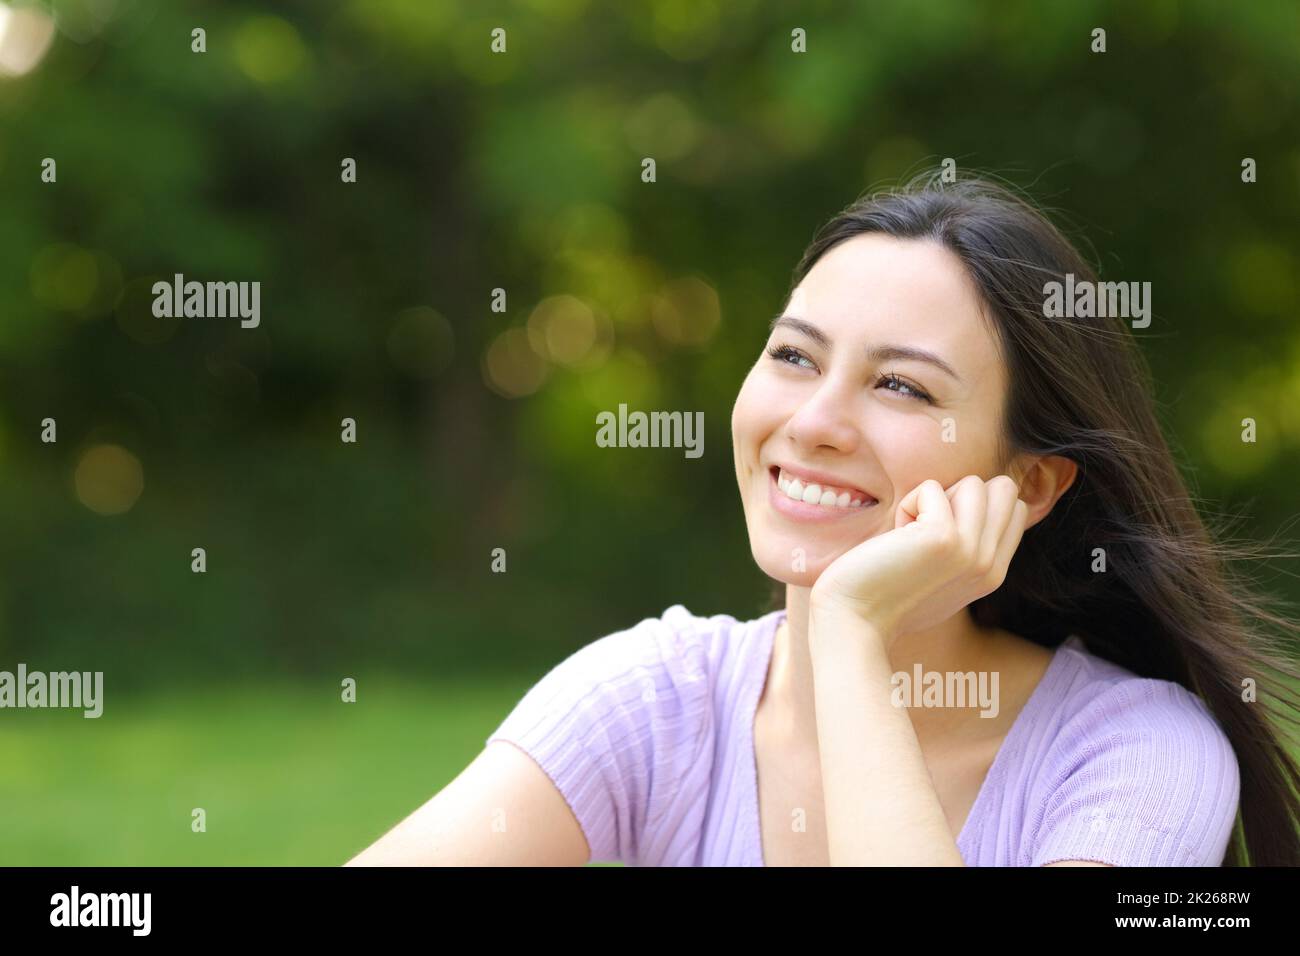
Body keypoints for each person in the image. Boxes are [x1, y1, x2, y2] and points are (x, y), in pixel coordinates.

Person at [346, 173, 1300, 867]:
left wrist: (847, 636)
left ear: (1035, 484)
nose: (813, 424)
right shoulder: (656, 705)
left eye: (899, 385)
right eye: (795, 357)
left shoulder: (1137, 757)